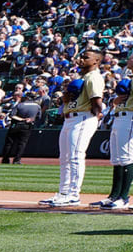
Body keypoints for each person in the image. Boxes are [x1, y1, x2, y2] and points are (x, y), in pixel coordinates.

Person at [45, 51, 106, 207]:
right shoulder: (83, 77)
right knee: (65, 157)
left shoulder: (94, 77)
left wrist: (96, 115)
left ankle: (73, 194)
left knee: (75, 156)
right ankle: (63, 192)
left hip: (83, 118)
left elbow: (97, 101)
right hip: (71, 117)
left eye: (86, 57)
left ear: (96, 61)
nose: (82, 59)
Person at [93, 51, 133, 210]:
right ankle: (114, 195)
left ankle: (123, 197)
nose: (129, 59)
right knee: (118, 158)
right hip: (123, 116)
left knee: (126, 157)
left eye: (132, 57)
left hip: (132, 116)